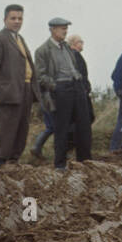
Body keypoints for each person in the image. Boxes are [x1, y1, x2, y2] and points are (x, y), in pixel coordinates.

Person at [0, 4, 41, 168]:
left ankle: (14, 163)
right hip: (8, 93)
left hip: (26, 89)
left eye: (20, 18)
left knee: (22, 129)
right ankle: (1, 166)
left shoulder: (19, 39)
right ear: (5, 20)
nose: (17, 21)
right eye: (13, 18)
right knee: (6, 130)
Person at [35, 16, 93, 169]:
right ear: (53, 29)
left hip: (77, 87)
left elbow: (74, 66)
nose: (65, 31)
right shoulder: (43, 50)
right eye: (62, 28)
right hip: (61, 90)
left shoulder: (67, 47)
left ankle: (85, 162)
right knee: (62, 128)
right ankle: (60, 165)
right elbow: (40, 76)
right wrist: (55, 87)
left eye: (66, 28)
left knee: (84, 126)